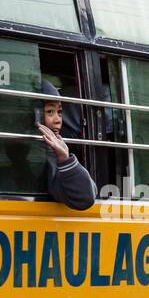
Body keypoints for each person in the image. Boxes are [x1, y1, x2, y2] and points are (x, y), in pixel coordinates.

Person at [37, 79, 96, 210]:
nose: (58, 120)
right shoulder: (37, 155)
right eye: (50, 112)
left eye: (59, 112)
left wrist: (65, 158)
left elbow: (86, 197)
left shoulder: (56, 153)